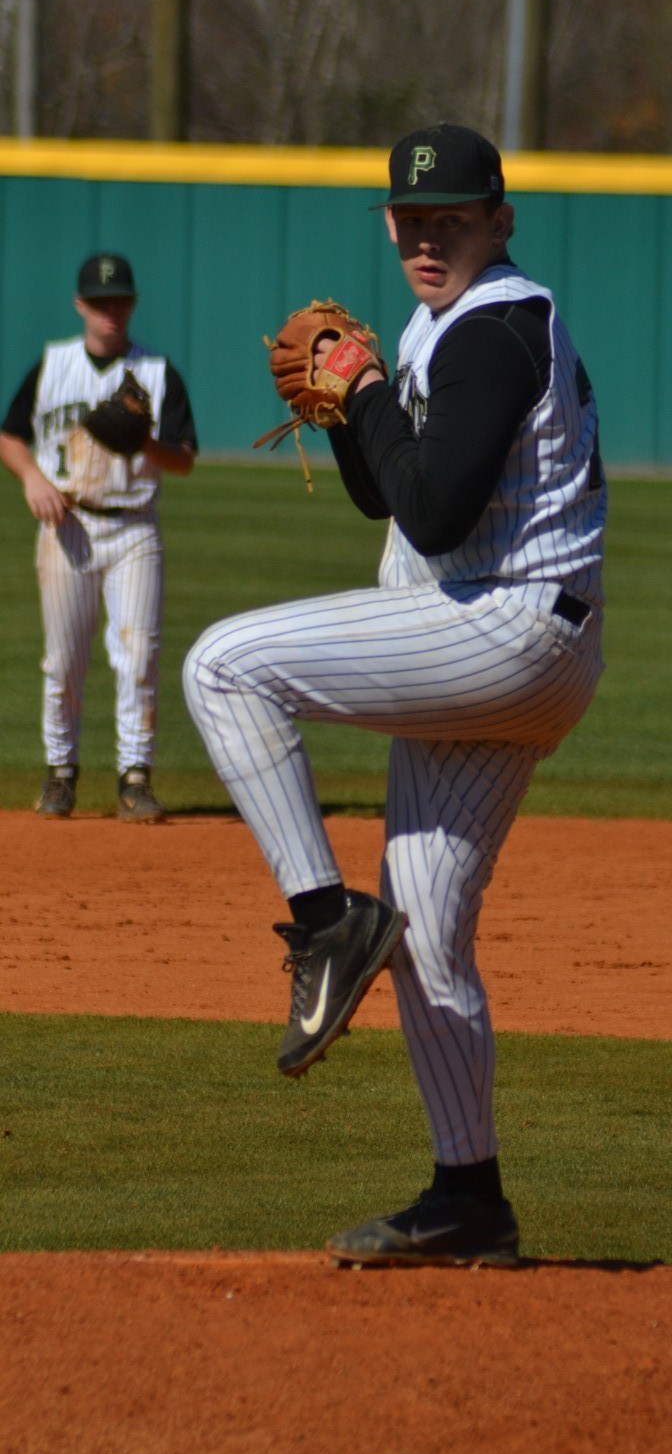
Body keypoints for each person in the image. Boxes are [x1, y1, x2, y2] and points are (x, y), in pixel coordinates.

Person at [183, 122, 606, 1267]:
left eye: (452, 219)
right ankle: (469, 1196)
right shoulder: (444, 326)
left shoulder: (498, 327)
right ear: (386, 220)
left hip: (503, 626)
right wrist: (353, 405)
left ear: (499, 219)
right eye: (411, 219)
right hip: (514, 644)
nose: (427, 237)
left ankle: (325, 926)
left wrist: (364, 383)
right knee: (427, 941)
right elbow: (390, 495)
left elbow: (432, 517)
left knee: (222, 662)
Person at [0, 252, 198, 822]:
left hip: (134, 529)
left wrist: (144, 445)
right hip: (67, 525)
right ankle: (60, 774)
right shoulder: (53, 365)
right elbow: (11, 437)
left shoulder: (158, 373)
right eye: (100, 300)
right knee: (64, 661)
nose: (111, 310)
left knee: (139, 655)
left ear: (132, 304)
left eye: (121, 300)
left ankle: (135, 777)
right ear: (80, 305)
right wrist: (32, 476)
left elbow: (182, 460)